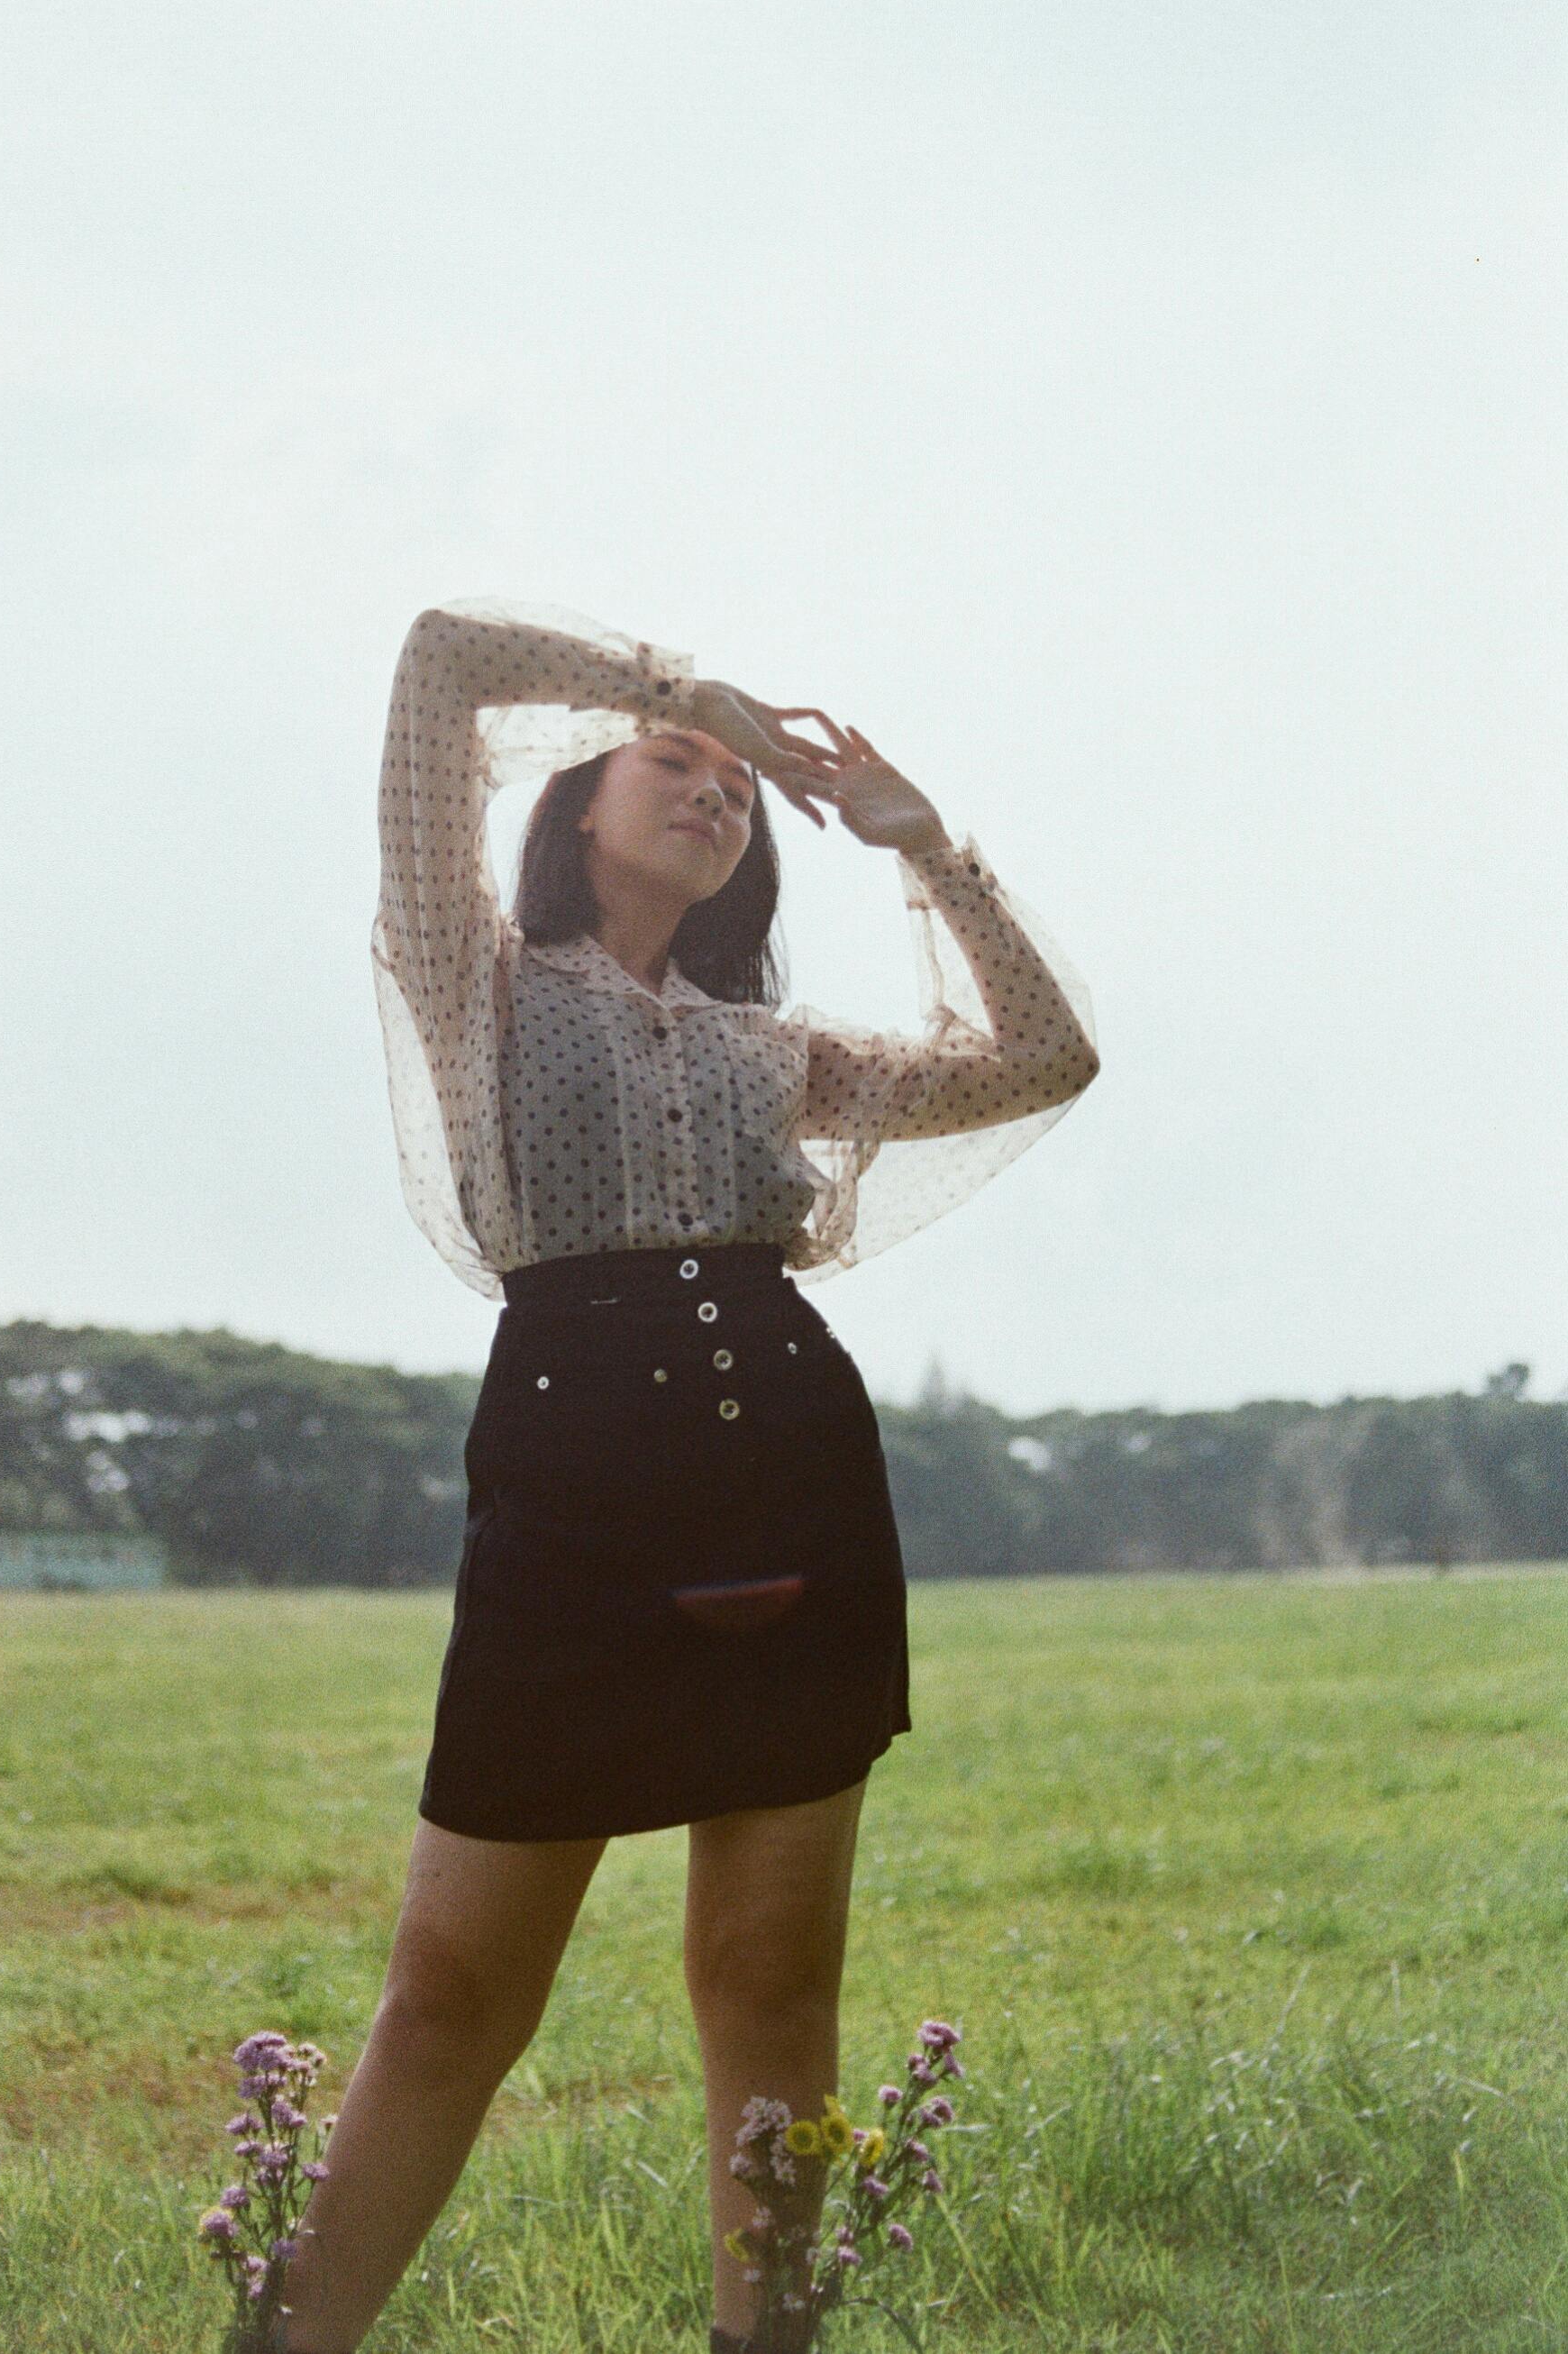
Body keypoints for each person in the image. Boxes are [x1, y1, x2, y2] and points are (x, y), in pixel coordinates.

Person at [264, 599, 1099, 2353]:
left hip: (786, 1481)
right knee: (450, 1994)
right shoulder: (467, 970)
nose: (712, 790)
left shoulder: (769, 1051)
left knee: (773, 1987)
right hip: (573, 1489)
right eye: (673, 770)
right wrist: (680, 688)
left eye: (735, 788)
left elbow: (1044, 1061)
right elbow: (429, 661)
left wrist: (924, 847)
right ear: (573, 808)